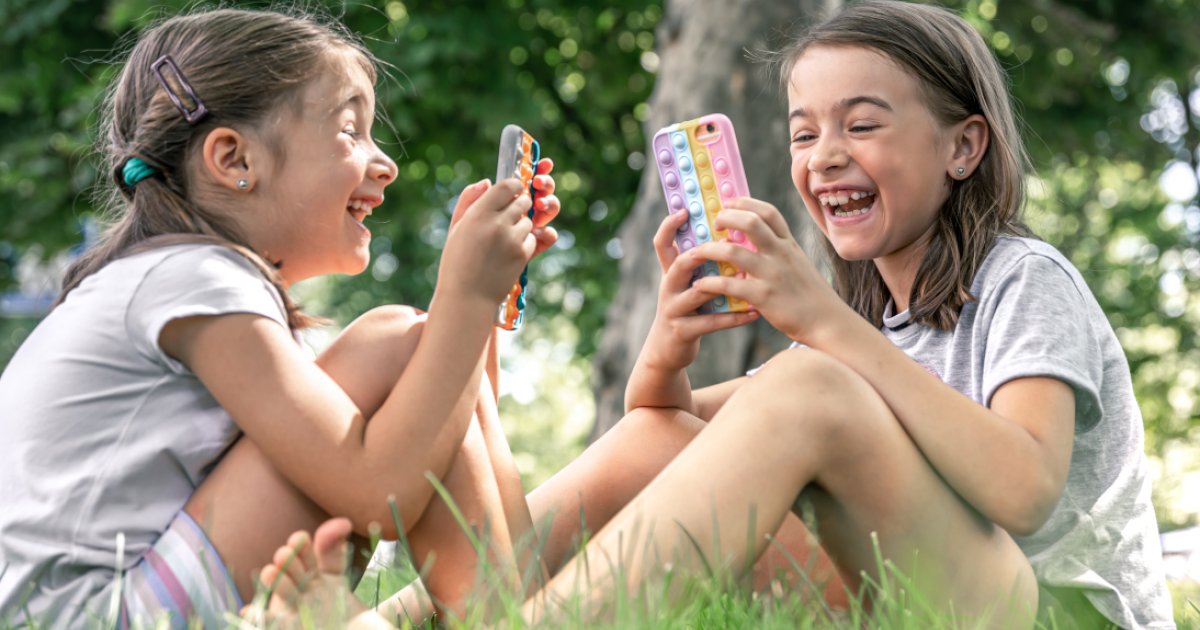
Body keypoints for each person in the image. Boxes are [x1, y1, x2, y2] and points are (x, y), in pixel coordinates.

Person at [243, 1, 1176, 628]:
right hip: (917, 589)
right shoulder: (876, 327)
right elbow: (661, 432)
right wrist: (667, 347)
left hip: (1052, 612)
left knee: (812, 385)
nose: (823, 155)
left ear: (965, 145)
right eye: (805, 131)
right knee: (683, 438)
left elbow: (1022, 490)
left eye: (863, 123)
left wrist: (824, 327)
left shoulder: (1024, 280)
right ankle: (385, 625)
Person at [0, 6, 569, 628]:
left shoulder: (186, 285)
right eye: (351, 132)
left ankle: (524, 615)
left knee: (411, 347)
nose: (387, 164)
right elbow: (378, 491)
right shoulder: (189, 277)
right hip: (99, 615)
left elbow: (442, 453)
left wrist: (475, 303)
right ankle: (511, 620)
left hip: (115, 602)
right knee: (396, 340)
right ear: (234, 160)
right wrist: (464, 298)